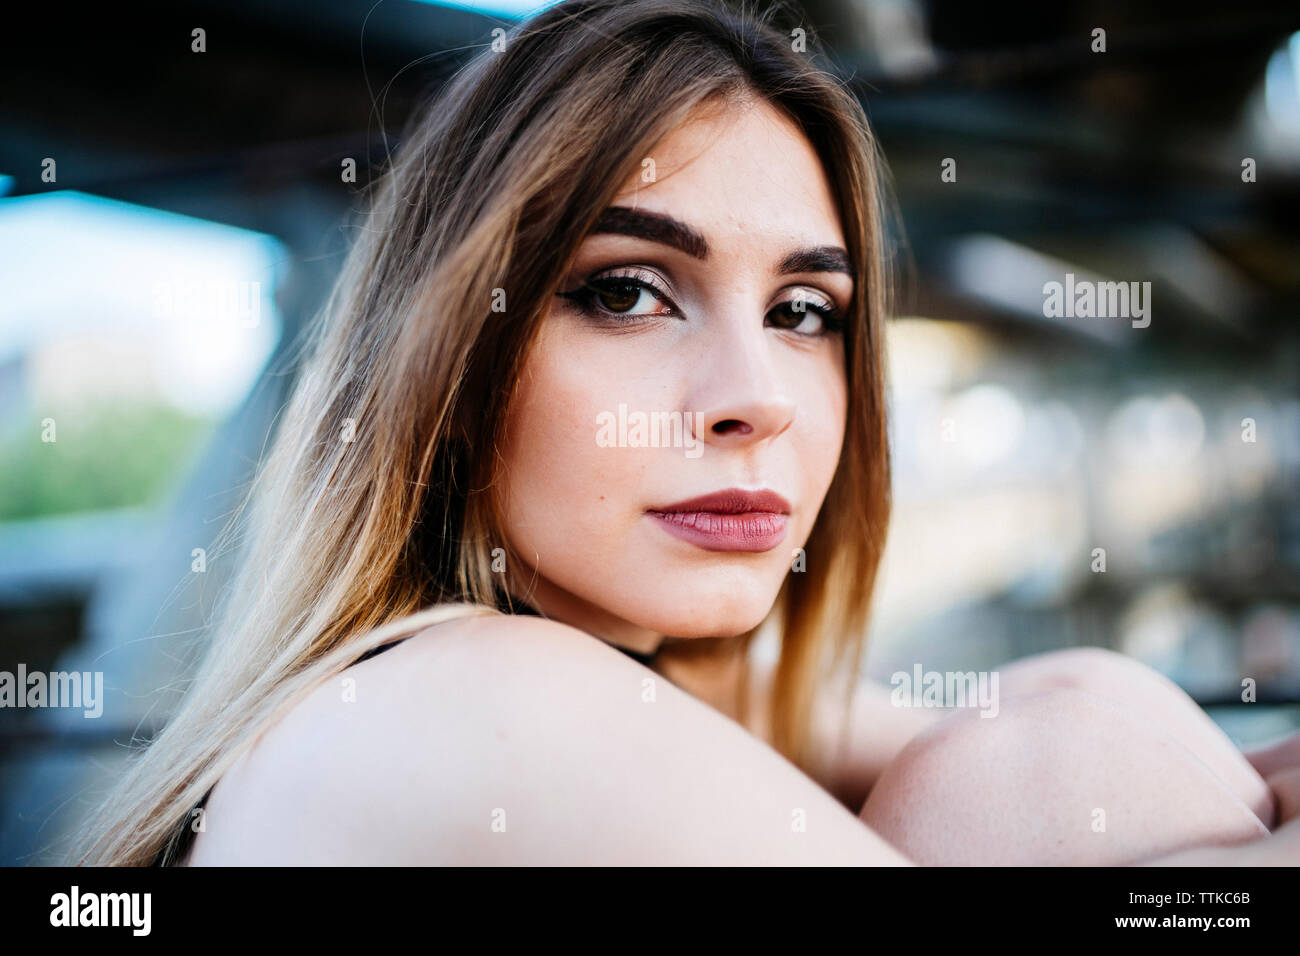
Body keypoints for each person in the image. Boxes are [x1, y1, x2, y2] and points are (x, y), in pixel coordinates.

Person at [72, 0, 1299, 866]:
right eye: (625, 291)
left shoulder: (624, 676)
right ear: (446, 352)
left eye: (804, 310)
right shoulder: (464, 697)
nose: (754, 396)